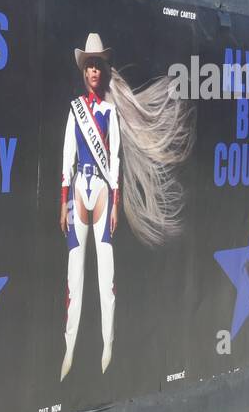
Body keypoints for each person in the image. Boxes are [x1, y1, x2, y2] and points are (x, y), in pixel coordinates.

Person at [58, 33, 193, 381]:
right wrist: (63, 202)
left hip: (102, 191)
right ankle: (69, 348)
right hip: (78, 189)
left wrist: (116, 203)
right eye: (88, 67)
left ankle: (107, 346)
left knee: (106, 276)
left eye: (96, 67)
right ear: (83, 71)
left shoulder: (109, 112)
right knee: (75, 274)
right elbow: (67, 157)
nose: (93, 73)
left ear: (102, 71)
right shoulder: (76, 111)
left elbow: (115, 160)